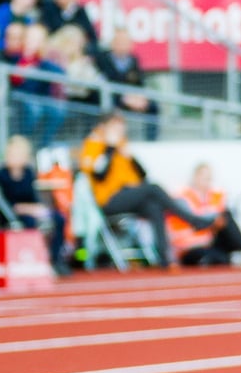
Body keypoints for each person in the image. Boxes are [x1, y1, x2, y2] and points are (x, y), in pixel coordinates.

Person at [79, 113, 216, 267]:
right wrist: (109, 148)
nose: (120, 130)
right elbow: (99, 174)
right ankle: (192, 220)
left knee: (154, 207)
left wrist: (131, 158)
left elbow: (142, 176)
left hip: (128, 195)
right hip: (109, 200)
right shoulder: (94, 144)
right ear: (104, 127)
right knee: (154, 189)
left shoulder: (122, 145)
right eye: (116, 127)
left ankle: (165, 258)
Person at [0, 133, 67, 273]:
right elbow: (7, 204)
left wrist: (37, 208)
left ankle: (56, 259)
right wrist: (27, 209)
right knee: (30, 222)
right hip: (12, 216)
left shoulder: (28, 173)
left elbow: (33, 197)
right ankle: (33, 260)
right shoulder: (0, 175)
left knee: (59, 218)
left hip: (30, 210)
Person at [167, 162, 241, 266]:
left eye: (209, 178)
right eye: (204, 178)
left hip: (208, 242)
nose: (207, 182)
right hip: (187, 246)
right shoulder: (182, 196)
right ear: (196, 177)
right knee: (219, 258)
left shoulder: (214, 195)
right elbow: (195, 219)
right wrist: (213, 219)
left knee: (226, 217)